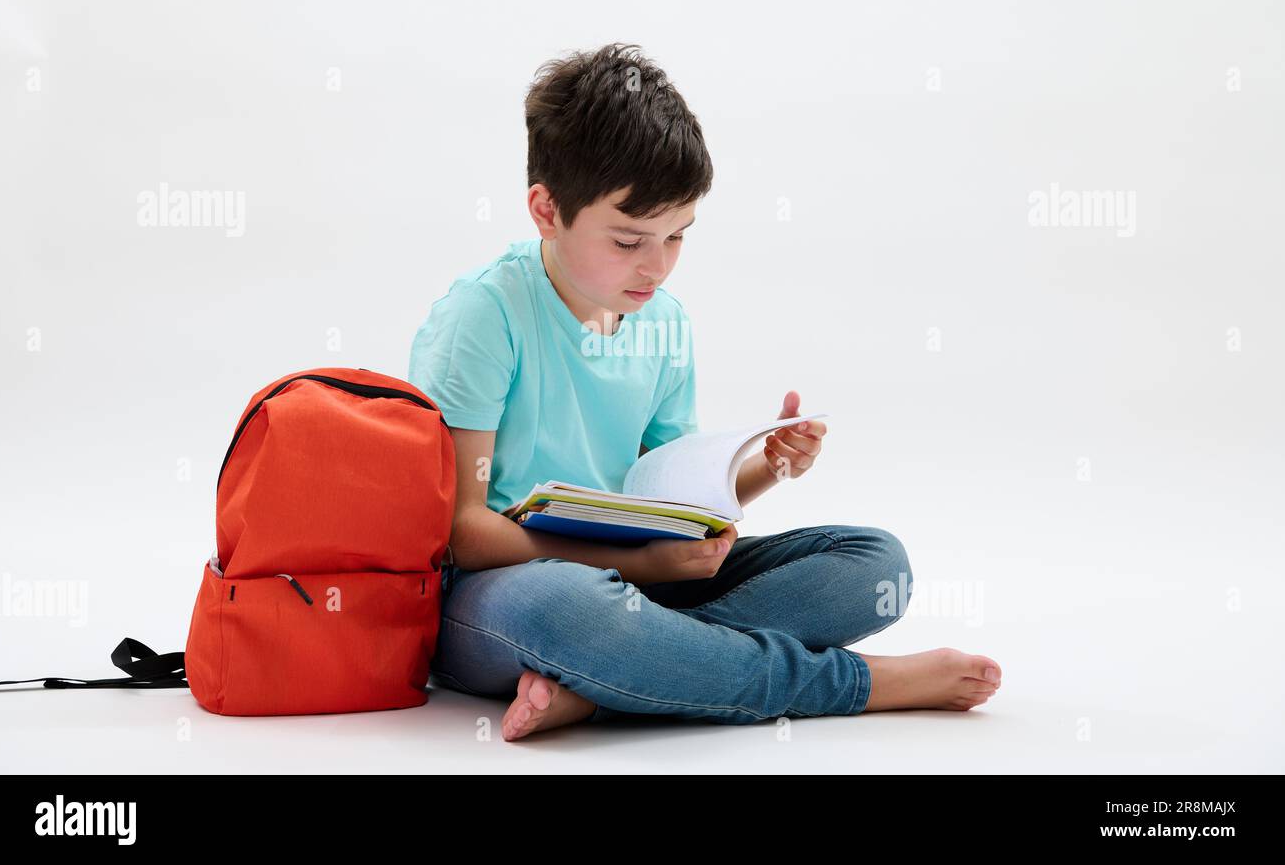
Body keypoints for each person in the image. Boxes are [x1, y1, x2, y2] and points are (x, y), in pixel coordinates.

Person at [408, 42, 1001, 741]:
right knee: (571, 610)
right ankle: (860, 684)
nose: (656, 266)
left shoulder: (664, 322)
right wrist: (633, 564)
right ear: (546, 209)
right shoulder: (487, 315)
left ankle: (608, 686)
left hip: (633, 587)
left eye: (677, 236)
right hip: (497, 596)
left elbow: (673, 508)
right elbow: (459, 533)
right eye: (629, 241)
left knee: (875, 564)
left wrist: (764, 470)